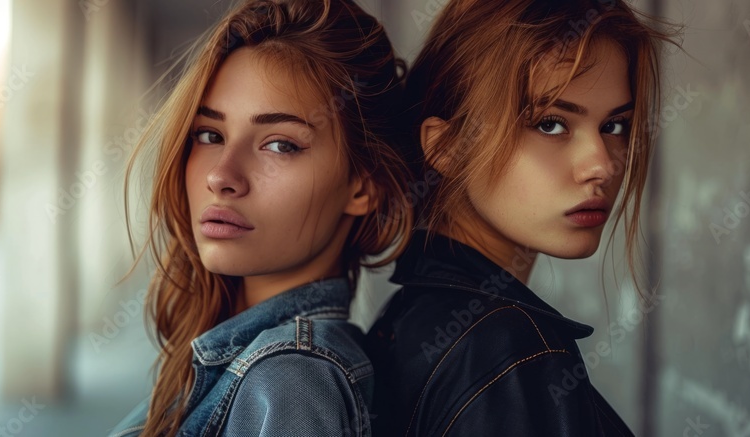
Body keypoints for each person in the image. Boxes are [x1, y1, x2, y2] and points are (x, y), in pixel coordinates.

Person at [365, 0, 677, 435]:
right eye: (551, 124)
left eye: (615, 126)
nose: (602, 166)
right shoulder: (506, 351)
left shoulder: (415, 314)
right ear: (447, 147)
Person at [107, 1, 412, 435]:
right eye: (209, 135)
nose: (220, 175)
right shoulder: (249, 356)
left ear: (363, 187)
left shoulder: (291, 378)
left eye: (280, 145)